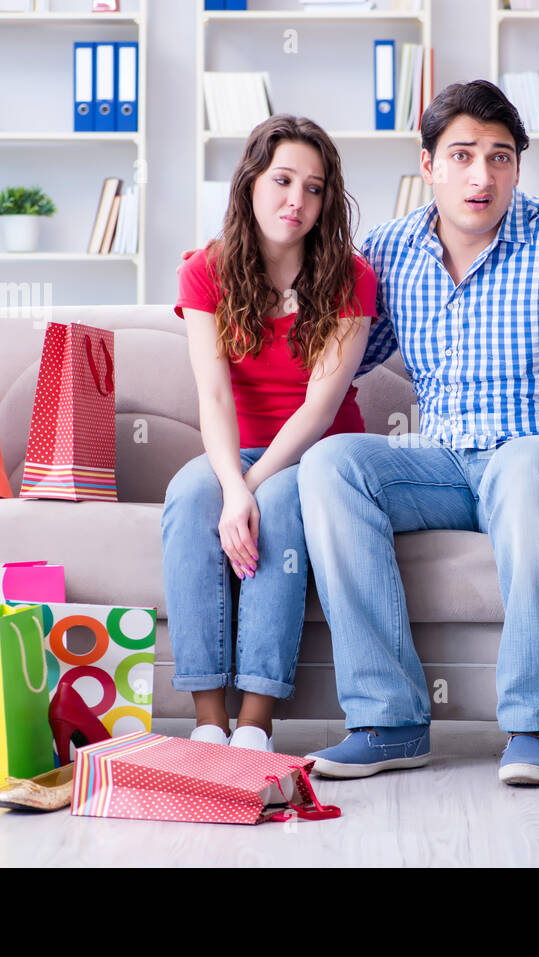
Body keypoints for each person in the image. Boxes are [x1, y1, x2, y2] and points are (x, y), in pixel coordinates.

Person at [297, 80, 539, 784]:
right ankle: (389, 721)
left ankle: (536, 723)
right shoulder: (390, 253)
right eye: (463, 155)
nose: (482, 175)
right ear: (427, 165)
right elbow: (328, 357)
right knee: (333, 465)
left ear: (518, 166)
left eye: (501, 157)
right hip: (449, 464)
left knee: (521, 460)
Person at [161, 115, 376, 753]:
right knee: (189, 498)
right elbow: (214, 393)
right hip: (233, 446)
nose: (297, 201)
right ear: (250, 183)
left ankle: (255, 723)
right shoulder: (206, 269)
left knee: (277, 507)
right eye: (282, 180)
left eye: (314, 189)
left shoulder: (350, 276)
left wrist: (251, 488)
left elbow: (319, 405)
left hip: (314, 451)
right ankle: (207, 719)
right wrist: (232, 485)